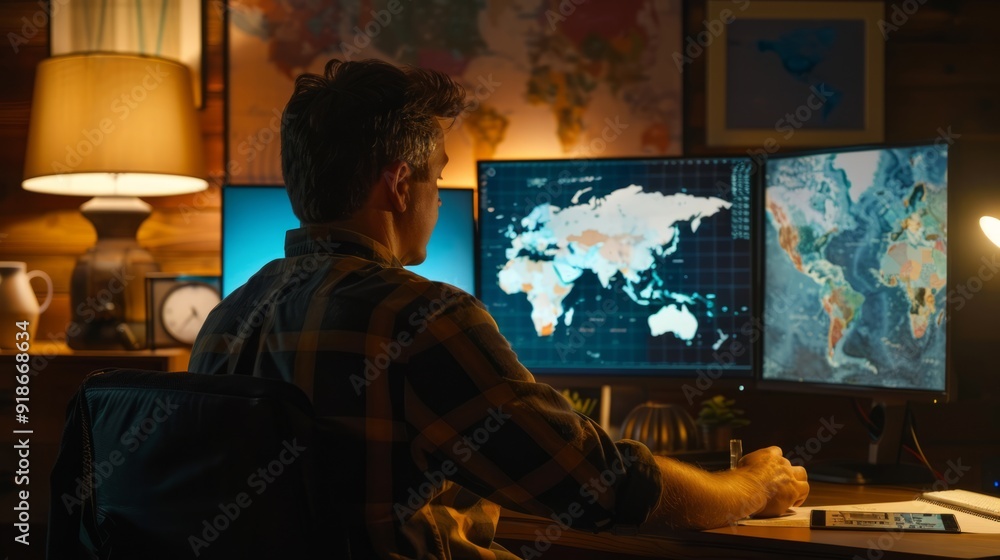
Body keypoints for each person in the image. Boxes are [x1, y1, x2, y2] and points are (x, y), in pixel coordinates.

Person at [189, 58, 808, 559]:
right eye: (437, 176)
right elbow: (599, 485)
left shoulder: (226, 321)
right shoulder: (421, 316)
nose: (436, 197)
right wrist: (751, 485)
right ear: (400, 184)